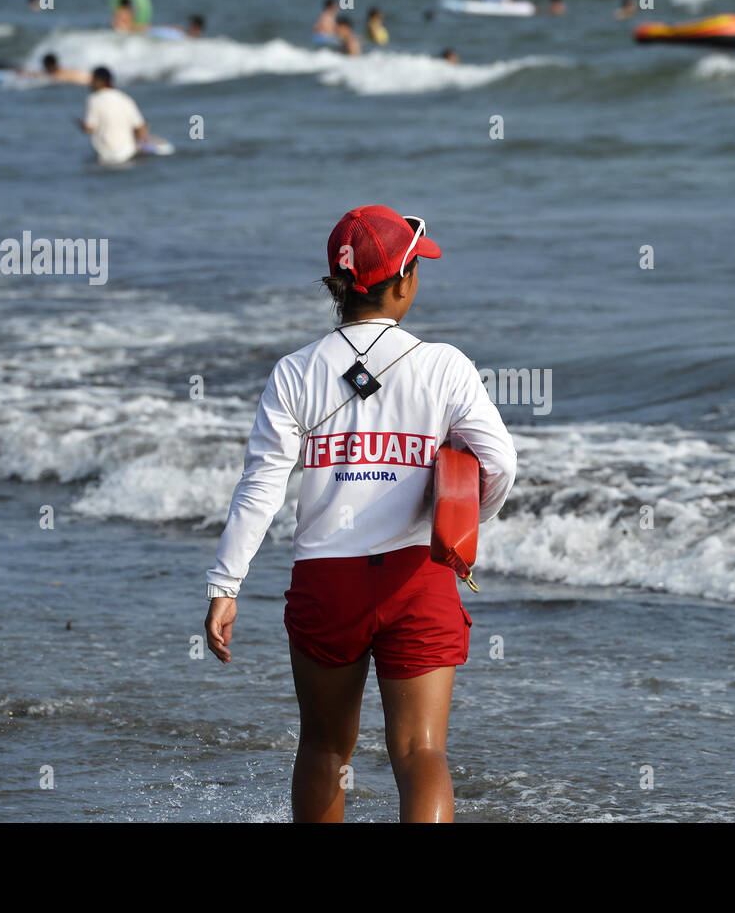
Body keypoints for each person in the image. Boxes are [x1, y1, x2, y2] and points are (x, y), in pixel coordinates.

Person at [204, 205, 518, 824]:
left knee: (324, 747)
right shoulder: (444, 365)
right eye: (416, 271)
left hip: (328, 581)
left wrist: (225, 584)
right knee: (420, 751)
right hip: (417, 575)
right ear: (401, 282)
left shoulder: (294, 372)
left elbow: (261, 487)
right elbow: (500, 463)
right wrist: (461, 525)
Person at [77, 67, 149, 165]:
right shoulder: (126, 99)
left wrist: (80, 125)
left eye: (93, 80)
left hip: (107, 158)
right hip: (129, 155)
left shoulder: (93, 100)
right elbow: (141, 129)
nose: (90, 84)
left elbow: (89, 129)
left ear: (100, 81)